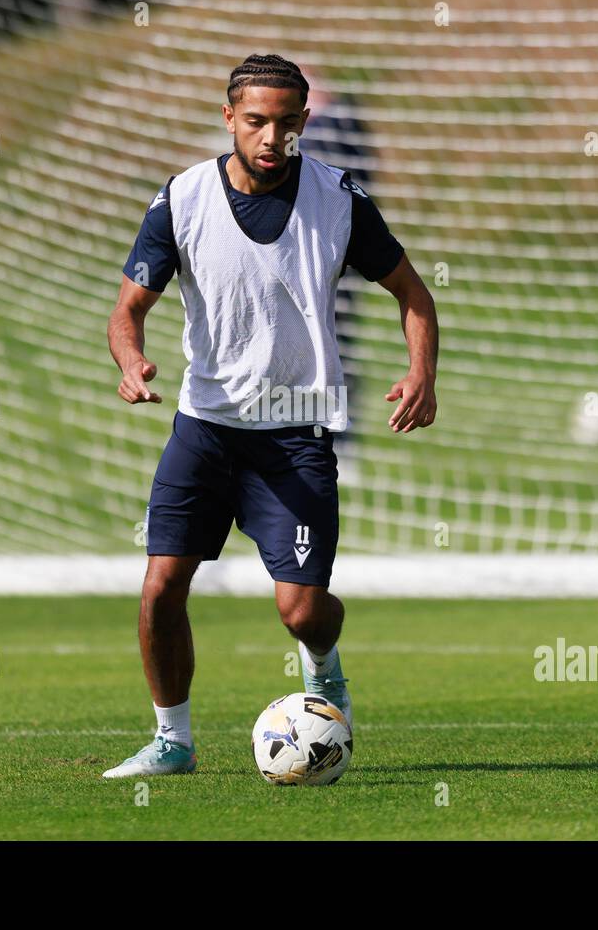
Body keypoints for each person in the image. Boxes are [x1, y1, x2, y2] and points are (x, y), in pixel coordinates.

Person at [103, 53, 439, 777]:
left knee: (301, 611)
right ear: (229, 118)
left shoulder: (338, 199)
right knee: (162, 585)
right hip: (205, 427)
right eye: (256, 120)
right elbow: (129, 310)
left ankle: (325, 666)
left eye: (288, 123)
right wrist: (130, 363)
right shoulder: (182, 199)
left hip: (296, 432)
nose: (271, 136)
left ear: (305, 124)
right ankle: (172, 742)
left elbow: (412, 290)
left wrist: (422, 373)